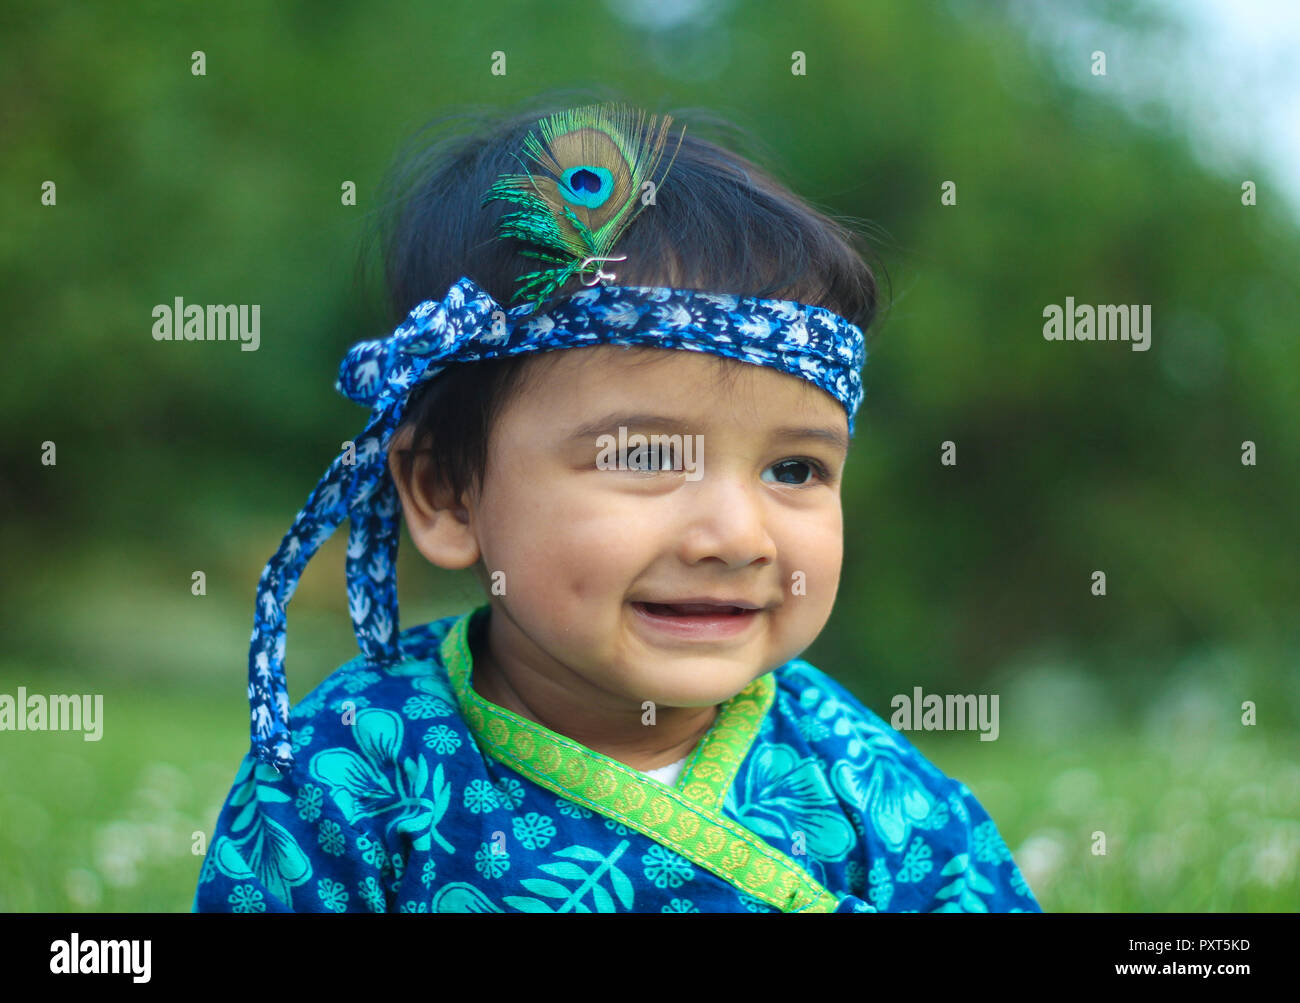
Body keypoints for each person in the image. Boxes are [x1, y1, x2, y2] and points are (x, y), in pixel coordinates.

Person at [193, 100, 1041, 914]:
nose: (736, 536)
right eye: (644, 455)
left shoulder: (868, 784)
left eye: (793, 467)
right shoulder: (346, 768)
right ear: (446, 493)